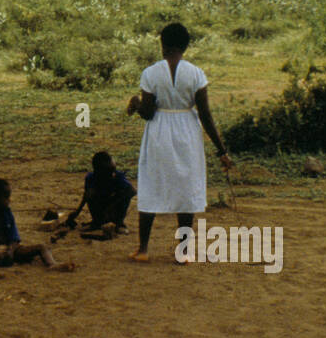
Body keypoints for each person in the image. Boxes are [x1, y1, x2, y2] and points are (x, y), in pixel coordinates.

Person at [128, 23, 233, 264]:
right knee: (187, 186)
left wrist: (135, 104)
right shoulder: (196, 74)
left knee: (151, 182)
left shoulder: (151, 73)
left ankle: (143, 249)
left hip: (158, 133)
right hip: (187, 131)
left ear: (162, 44)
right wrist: (221, 150)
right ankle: (183, 252)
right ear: (186, 46)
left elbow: (148, 113)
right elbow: (206, 116)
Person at [0, 178, 75, 279]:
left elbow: (14, 237)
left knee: (42, 246)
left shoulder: (6, 212)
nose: (9, 200)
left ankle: (52, 264)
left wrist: (10, 250)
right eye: (6, 197)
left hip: (9, 250)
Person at [64, 151, 136, 238]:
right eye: (109, 172)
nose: (113, 174)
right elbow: (86, 196)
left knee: (125, 194)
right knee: (91, 194)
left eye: (114, 170)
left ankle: (119, 224)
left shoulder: (118, 177)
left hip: (115, 205)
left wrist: (111, 206)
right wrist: (77, 212)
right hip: (101, 203)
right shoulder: (91, 179)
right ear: (98, 172)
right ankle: (97, 222)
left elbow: (132, 191)